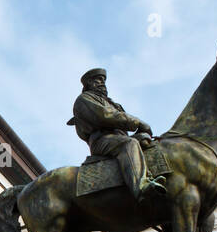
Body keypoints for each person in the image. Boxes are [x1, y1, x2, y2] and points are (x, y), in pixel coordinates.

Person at [69, 68, 164, 203]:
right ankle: (141, 187)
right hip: (102, 140)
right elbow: (106, 116)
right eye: (98, 80)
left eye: (103, 80)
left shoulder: (112, 102)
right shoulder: (84, 99)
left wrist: (141, 133)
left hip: (119, 137)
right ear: (89, 83)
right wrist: (137, 123)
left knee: (146, 141)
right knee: (129, 144)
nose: (102, 83)